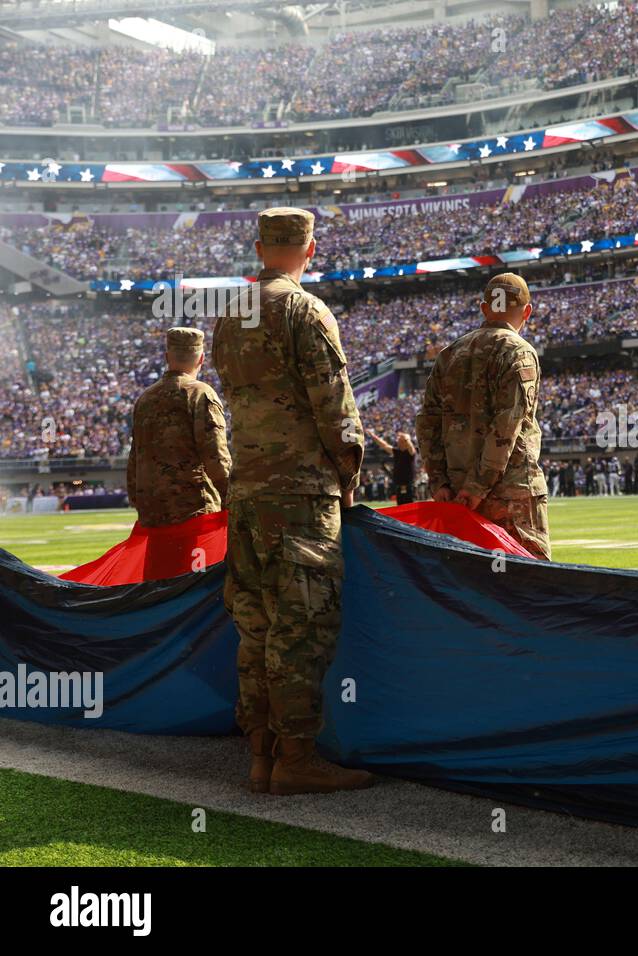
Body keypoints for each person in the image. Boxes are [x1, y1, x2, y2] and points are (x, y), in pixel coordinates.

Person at [212, 207, 371, 796]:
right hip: (300, 494)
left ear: (259, 248)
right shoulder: (306, 310)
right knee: (301, 629)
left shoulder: (231, 314)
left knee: (255, 627)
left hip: (247, 491)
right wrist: (349, 471)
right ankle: (297, 758)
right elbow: (334, 407)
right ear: (310, 249)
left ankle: (261, 755)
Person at [415, 273, 550, 560]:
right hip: (510, 494)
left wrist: (439, 482)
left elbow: (427, 423)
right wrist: (478, 486)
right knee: (528, 581)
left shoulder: (450, 354)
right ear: (527, 312)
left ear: (483, 307)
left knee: (472, 583)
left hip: (456, 497)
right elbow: (506, 427)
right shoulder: (519, 352)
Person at [126, 326, 230, 529]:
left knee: (161, 562)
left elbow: (135, 457)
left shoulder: (145, 399)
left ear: (167, 356)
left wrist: (139, 502)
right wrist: (231, 498)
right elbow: (215, 455)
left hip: (153, 512)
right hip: (194, 510)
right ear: (201, 359)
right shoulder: (200, 394)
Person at [366, 429, 417, 504]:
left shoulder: (410, 453)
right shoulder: (397, 452)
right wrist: (373, 436)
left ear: (405, 442)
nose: (398, 442)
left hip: (409, 486)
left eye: (400, 441)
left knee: (410, 508)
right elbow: (384, 445)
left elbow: (411, 447)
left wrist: (406, 438)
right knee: (400, 508)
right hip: (399, 485)